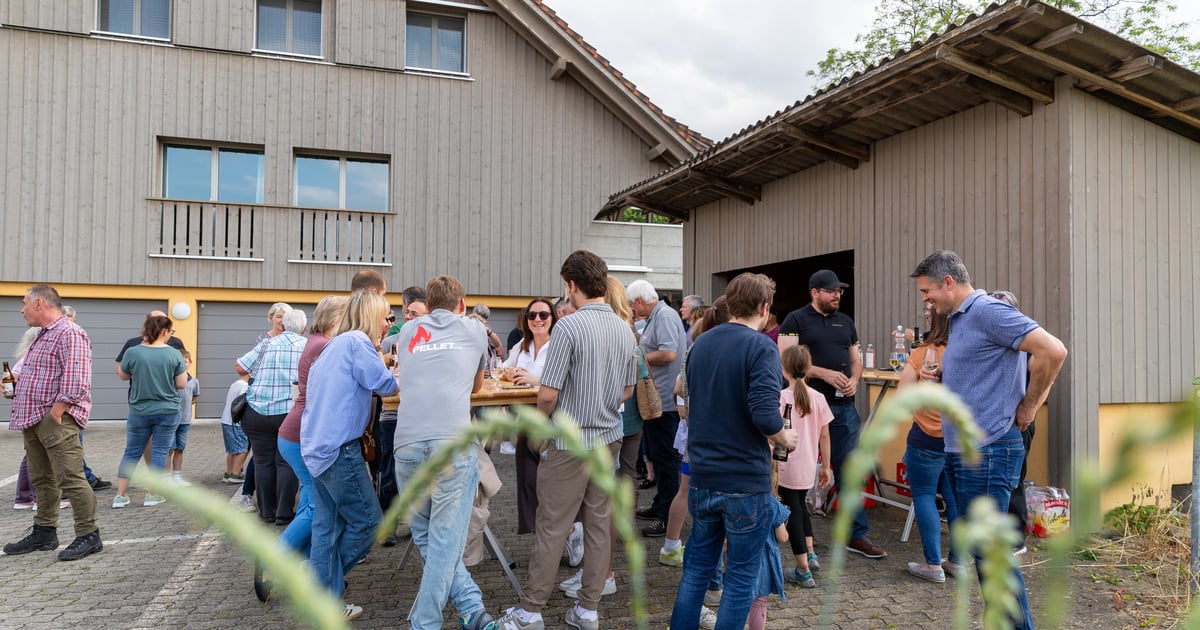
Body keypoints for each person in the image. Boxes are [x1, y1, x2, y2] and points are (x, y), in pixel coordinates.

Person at [910, 250, 1067, 630]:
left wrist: (1030, 406)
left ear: (949, 282)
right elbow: (985, 374)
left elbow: (1053, 351)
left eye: (927, 291)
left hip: (989, 449)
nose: (925, 299)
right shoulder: (961, 319)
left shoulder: (986, 310)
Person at [496, 250, 637, 630]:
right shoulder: (625, 329)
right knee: (597, 524)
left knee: (552, 527)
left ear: (572, 286)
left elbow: (547, 394)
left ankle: (531, 611)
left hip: (570, 440)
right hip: (609, 438)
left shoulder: (569, 328)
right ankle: (588, 609)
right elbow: (627, 390)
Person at [671, 272, 797, 629]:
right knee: (741, 577)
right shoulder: (761, 347)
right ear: (765, 308)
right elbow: (763, 412)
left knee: (696, 571)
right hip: (744, 479)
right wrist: (784, 437)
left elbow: (689, 400)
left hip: (704, 475)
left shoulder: (700, 345)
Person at [392, 275, 499, 630]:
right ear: (463, 304)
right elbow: (477, 386)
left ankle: (472, 610)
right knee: (443, 540)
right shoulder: (474, 330)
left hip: (406, 443)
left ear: (426, 303)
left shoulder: (408, 332)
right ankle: (425, 623)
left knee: (427, 535)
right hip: (450, 444)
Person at [301, 290, 398, 621]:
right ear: (372, 316)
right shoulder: (358, 342)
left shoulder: (334, 345)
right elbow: (385, 385)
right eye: (387, 316)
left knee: (326, 528)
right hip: (338, 448)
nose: (389, 324)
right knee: (370, 522)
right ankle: (320, 584)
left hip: (316, 447)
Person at [777, 269, 884, 559]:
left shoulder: (845, 321)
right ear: (815, 293)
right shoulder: (795, 320)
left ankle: (856, 535)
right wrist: (824, 373)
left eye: (840, 291)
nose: (837, 295)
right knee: (794, 471)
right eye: (831, 291)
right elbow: (786, 360)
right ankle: (791, 533)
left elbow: (855, 360)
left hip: (842, 409)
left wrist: (855, 379)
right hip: (805, 409)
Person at [3, 285, 102, 561]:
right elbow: (36, 374)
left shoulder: (70, 333)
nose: (21, 309)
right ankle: (45, 532)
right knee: (42, 479)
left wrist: (57, 411)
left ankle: (88, 534)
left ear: (40, 303)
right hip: (33, 418)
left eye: (24, 303)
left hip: (54, 418)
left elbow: (77, 380)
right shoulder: (43, 336)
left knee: (70, 478)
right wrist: (13, 383)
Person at [261, 295, 347, 600]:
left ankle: (311, 568)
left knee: (317, 505)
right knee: (315, 507)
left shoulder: (314, 341)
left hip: (295, 433)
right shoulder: (324, 346)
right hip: (300, 436)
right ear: (337, 320)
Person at [900, 303, 963, 583]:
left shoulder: (920, 355)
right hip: (957, 438)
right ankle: (958, 562)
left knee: (924, 497)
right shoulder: (965, 353)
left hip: (925, 437)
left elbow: (903, 398)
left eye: (928, 311)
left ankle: (933, 565)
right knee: (955, 500)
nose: (925, 313)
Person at [627, 279, 687, 539]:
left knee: (665, 459)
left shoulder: (663, 316)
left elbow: (669, 353)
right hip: (656, 400)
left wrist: (635, 357)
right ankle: (661, 505)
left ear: (640, 300)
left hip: (662, 401)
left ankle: (666, 517)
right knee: (659, 456)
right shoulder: (656, 316)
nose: (631, 309)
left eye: (632, 304)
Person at [237, 308, 307, 526]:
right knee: (286, 462)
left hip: (257, 411)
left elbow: (240, 365)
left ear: (283, 324)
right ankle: (284, 513)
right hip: (289, 412)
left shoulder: (267, 343)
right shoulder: (305, 346)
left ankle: (266, 512)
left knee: (262, 461)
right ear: (304, 328)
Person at [112, 314, 188, 508]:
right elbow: (181, 383)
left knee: (131, 452)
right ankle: (152, 494)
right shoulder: (174, 354)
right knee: (160, 452)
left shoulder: (133, 351)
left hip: (139, 409)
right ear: (164, 331)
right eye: (170, 331)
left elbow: (122, 375)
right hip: (168, 409)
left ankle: (120, 496)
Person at [777, 344, 834, 588]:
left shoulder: (780, 398)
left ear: (784, 369)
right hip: (809, 465)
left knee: (793, 513)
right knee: (801, 506)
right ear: (809, 369)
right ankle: (810, 554)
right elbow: (825, 437)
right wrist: (826, 467)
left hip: (786, 466)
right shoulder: (819, 398)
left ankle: (803, 570)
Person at [502, 297, 559, 536]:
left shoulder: (559, 345)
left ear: (553, 318)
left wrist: (537, 381)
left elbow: (567, 381)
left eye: (543, 315)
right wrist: (511, 373)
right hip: (526, 418)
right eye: (532, 315)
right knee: (527, 479)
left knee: (554, 481)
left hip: (553, 419)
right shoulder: (522, 346)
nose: (537, 319)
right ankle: (538, 532)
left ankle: (568, 530)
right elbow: (503, 368)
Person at [990, 289, 1034, 553]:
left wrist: (1029, 408)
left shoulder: (1028, 340)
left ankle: (1016, 539)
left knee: (1013, 479)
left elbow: (1048, 371)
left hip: (1019, 420)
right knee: (995, 479)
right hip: (996, 419)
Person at [168, 349, 199, 485]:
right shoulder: (170, 380)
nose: (182, 364)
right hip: (170, 420)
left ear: (190, 363)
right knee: (168, 449)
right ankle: (166, 476)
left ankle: (177, 475)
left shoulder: (194, 381)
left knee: (180, 448)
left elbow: (194, 397)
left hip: (185, 421)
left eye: (185, 362)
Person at [220, 374, 251, 485]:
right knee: (242, 448)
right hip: (236, 422)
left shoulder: (234, 384)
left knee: (231, 450)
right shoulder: (245, 386)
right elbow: (243, 403)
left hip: (226, 420)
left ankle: (228, 473)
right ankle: (236, 473)